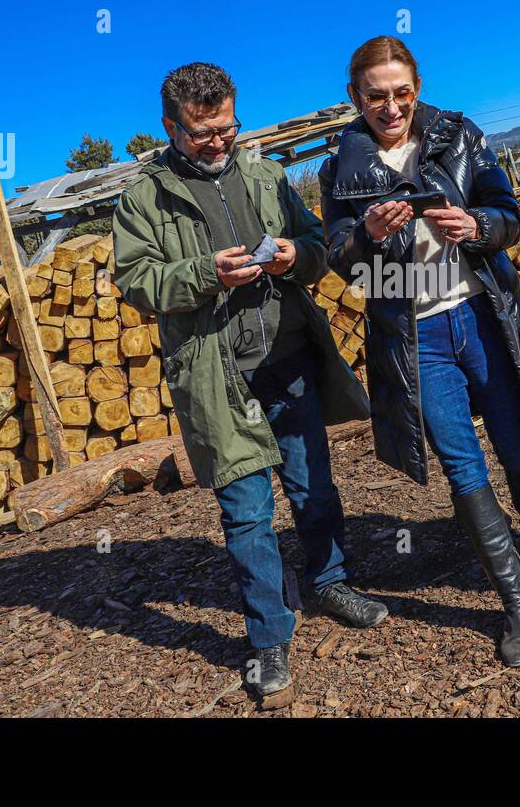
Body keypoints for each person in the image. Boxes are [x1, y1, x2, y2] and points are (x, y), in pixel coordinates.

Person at [112, 62, 386, 698]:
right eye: (203, 132)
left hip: (287, 360)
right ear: (170, 127)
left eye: (227, 128)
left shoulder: (266, 176)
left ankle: (330, 582)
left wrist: (298, 255)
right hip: (217, 377)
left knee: (313, 484)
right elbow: (134, 282)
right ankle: (268, 638)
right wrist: (204, 274)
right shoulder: (145, 198)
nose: (219, 142)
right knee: (246, 512)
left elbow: (319, 245)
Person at [319, 36, 520, 666]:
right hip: (416, 336)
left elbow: (509, 213)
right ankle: (514, 601)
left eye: (401, 92)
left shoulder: (460, 136)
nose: (391, 107)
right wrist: (367, 241)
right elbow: (338, 259)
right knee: (462, 464)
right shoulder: (340, 169)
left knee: (517, 443)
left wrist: (479, 227)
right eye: (375, 96)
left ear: (418, 88)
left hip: (482, 314)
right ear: (355, 98)